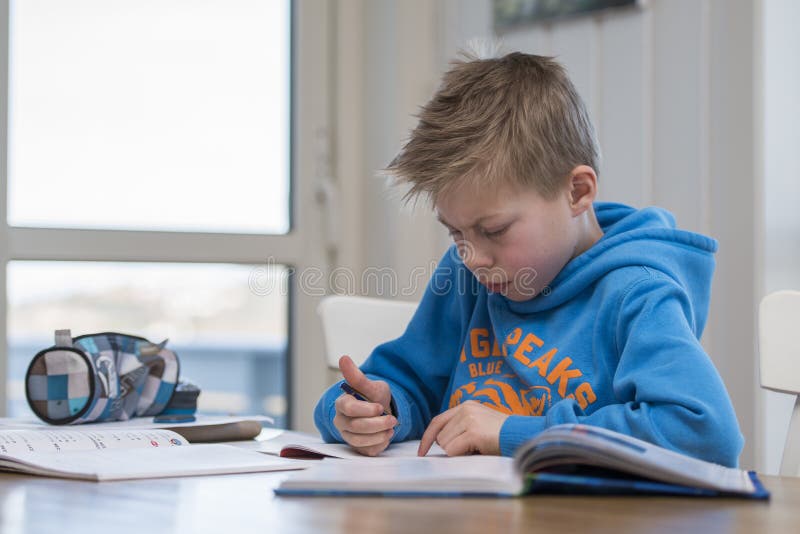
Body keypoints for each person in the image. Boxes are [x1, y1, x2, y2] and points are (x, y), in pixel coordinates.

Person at [313, 50, 743, 467]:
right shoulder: (465, 275)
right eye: (455, 232)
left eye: (494, 230)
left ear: (577, 192)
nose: (473, 257)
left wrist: (515, 433)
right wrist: (367, 411)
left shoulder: (637, 291)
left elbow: (704, 432)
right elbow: (408, 382)